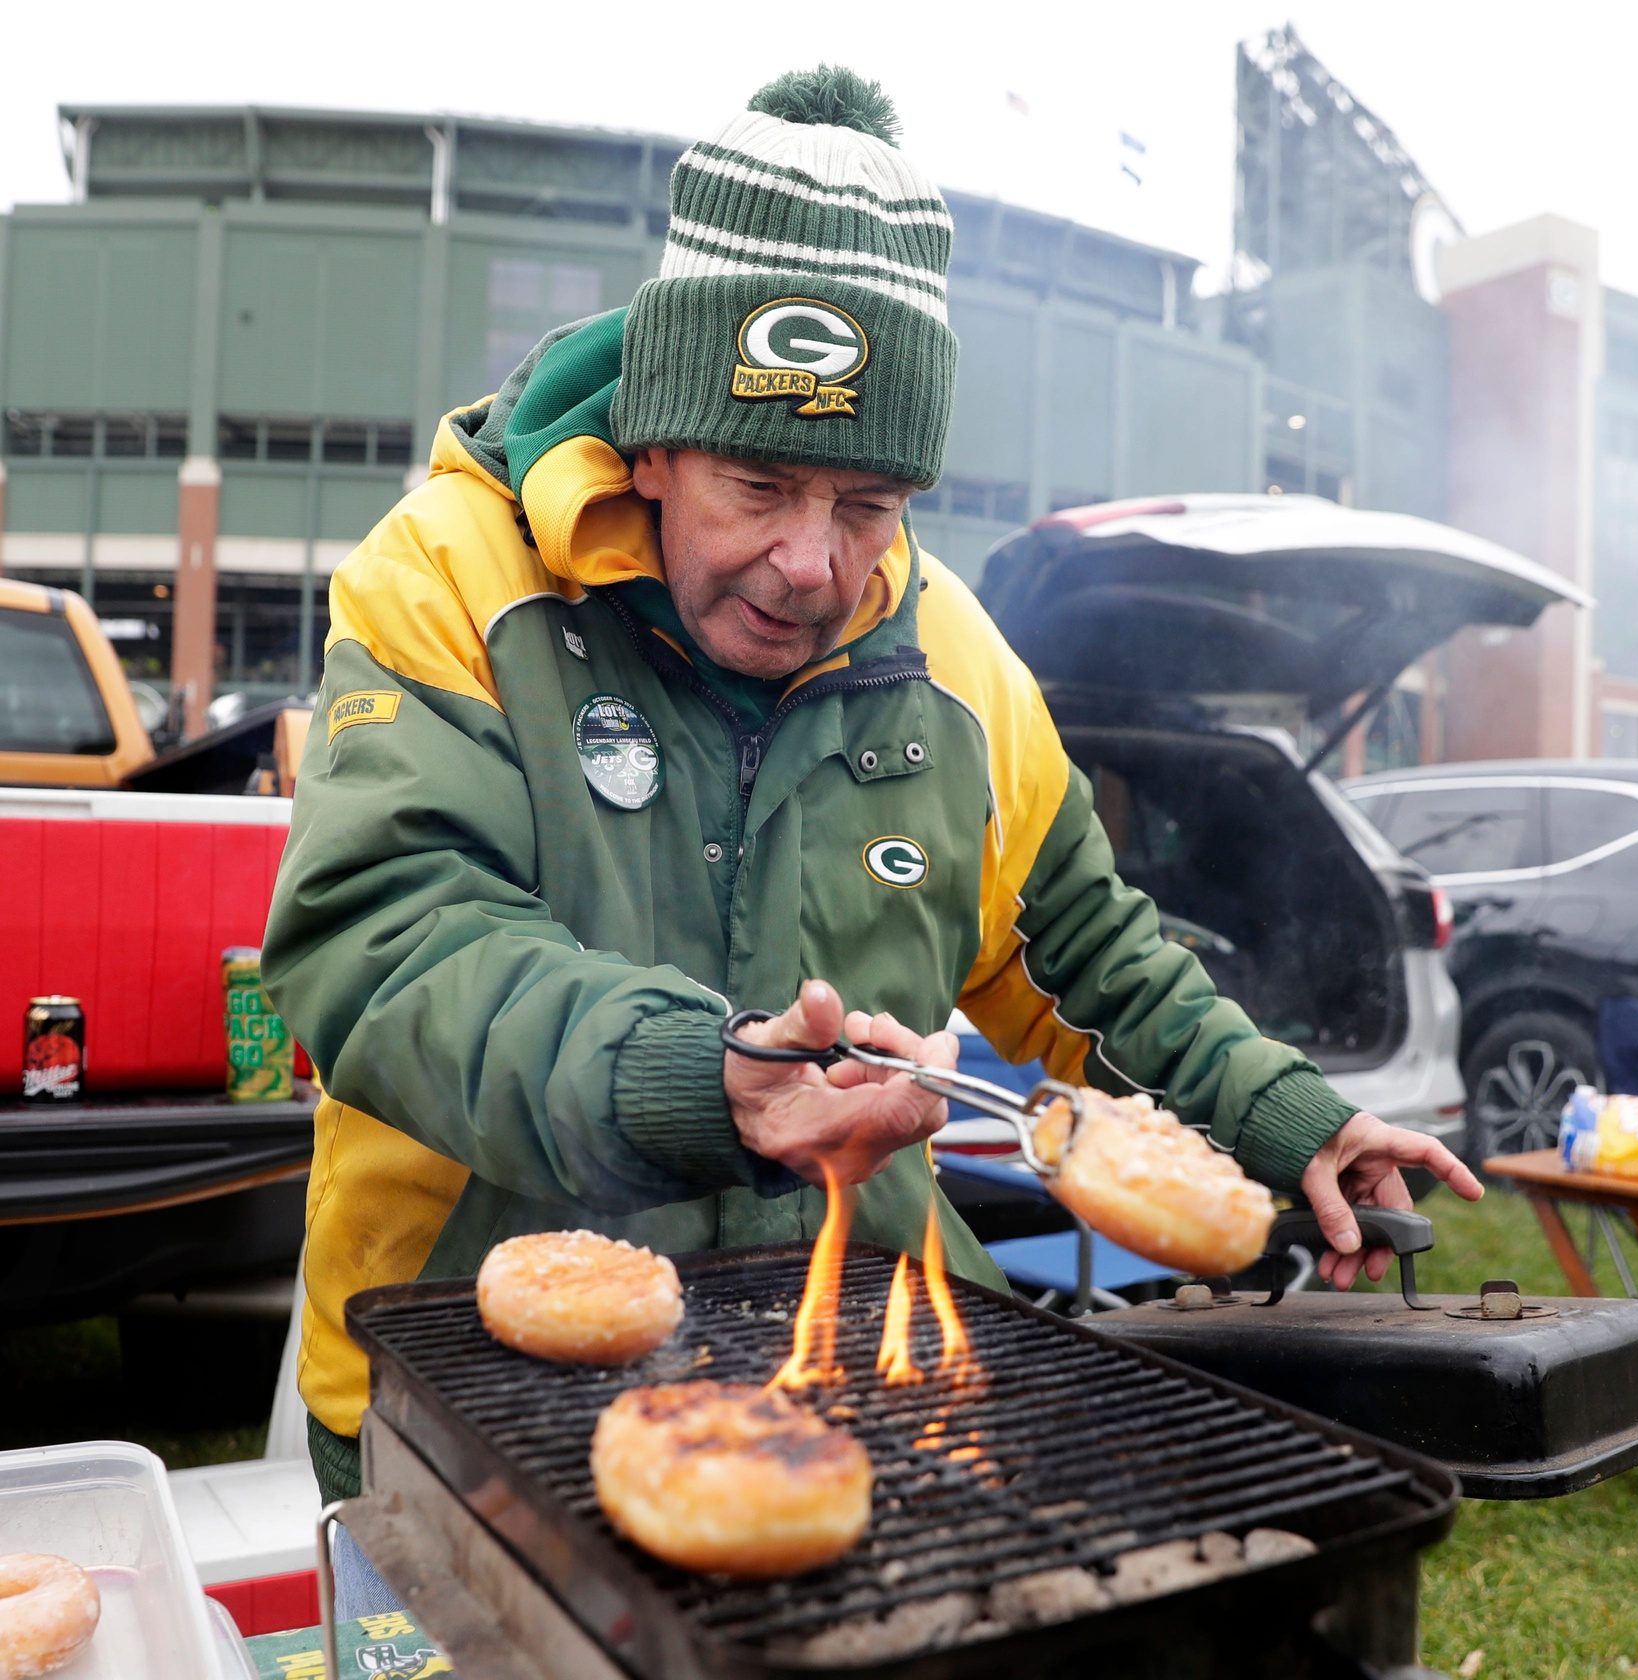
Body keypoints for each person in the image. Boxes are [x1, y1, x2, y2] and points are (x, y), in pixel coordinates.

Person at [264, 64, 1480, 1514]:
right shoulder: (451, 576)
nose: (814, 566)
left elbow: (1084, 953)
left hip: (857, 1356)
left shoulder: (951, 653)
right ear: (652, 443)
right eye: (762, 487)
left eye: (868, 505)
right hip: (476, 1358)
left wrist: (1293, 1122)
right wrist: (699, 1078)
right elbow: (386, 942)